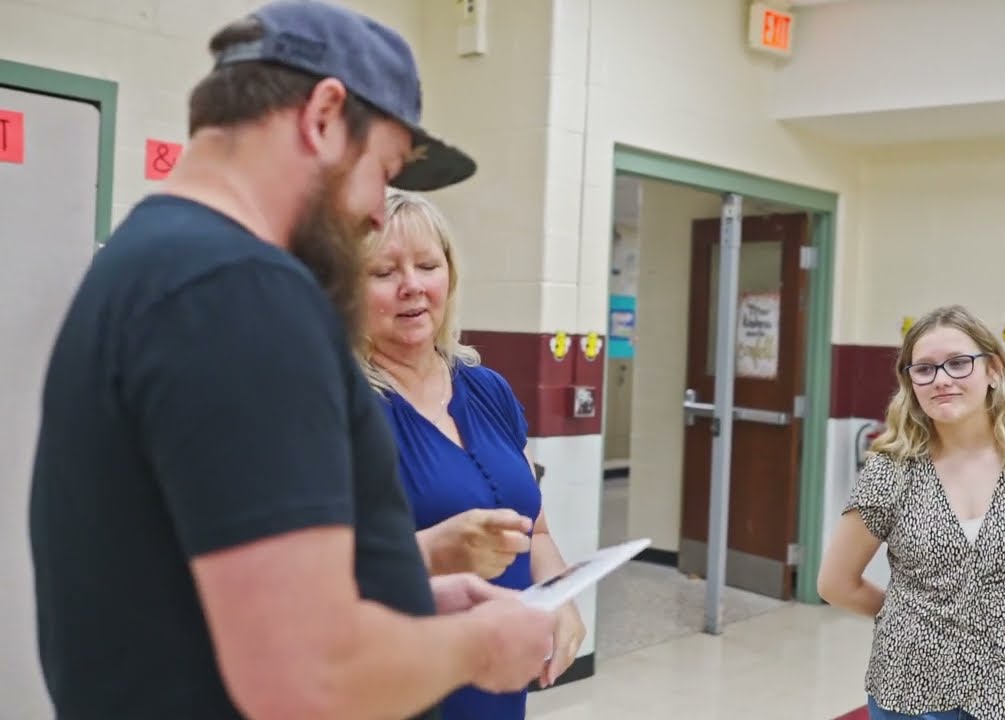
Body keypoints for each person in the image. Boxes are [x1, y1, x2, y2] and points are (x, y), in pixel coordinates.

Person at [27, 3, 556, 719]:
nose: (377, 212)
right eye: (384, 169)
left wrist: (413, 589)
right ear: (324, 115)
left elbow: (201, 596)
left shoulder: (149, 262)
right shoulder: (242, 291)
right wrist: (481, 649)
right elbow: (303, 680)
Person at [817, 305, 1005, 720]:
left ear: (993, 370)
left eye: (958, 363)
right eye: (923, 369)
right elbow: (835, 583)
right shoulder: (891, 470)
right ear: (911, 383)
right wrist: (908, 616)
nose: (941, 380)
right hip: (910, 693)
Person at [358, 189, 588, 720]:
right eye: (384, 271)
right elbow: (314, 581)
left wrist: (560, 596)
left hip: (499, 679)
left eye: (427, 265)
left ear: (450, 277)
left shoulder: (488, 390)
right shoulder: (340, 407)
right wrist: (431, 550)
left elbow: (538, 531)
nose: (412, 285)